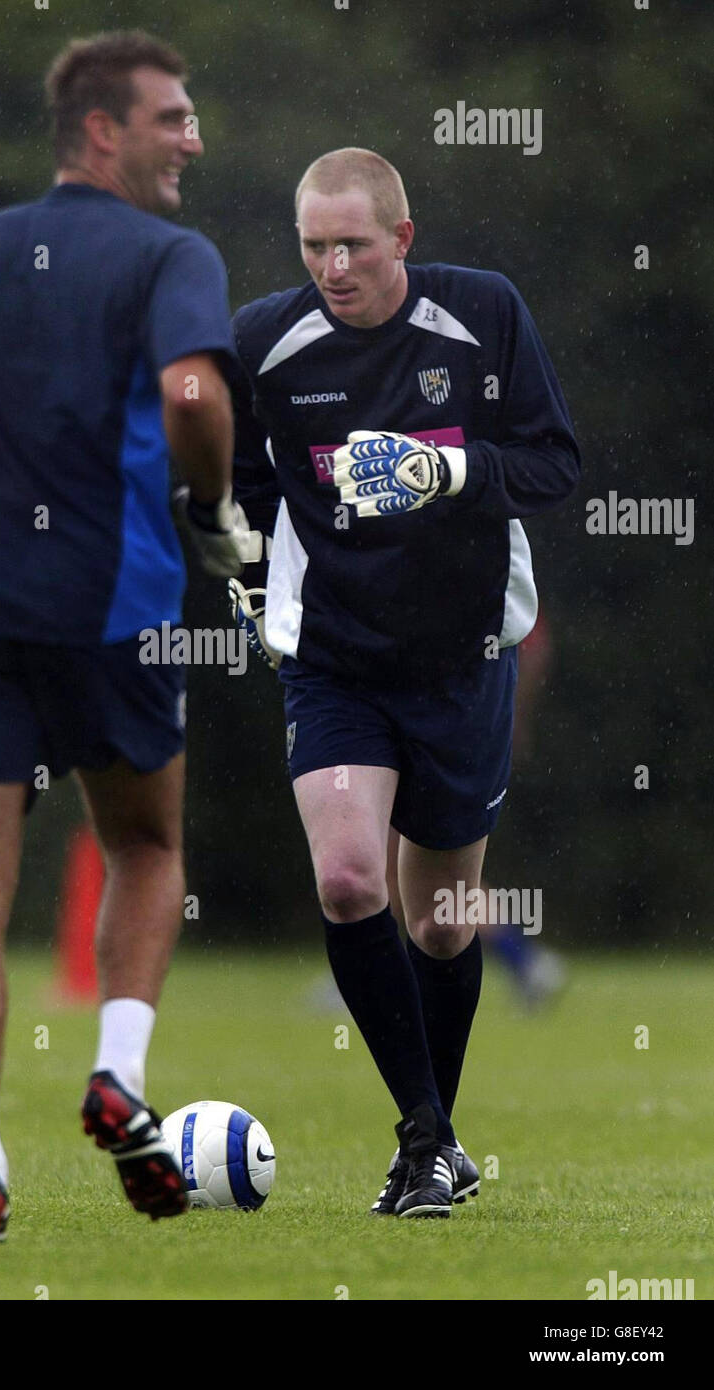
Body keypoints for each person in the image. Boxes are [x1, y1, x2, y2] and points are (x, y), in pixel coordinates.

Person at [0, 30, 250, 1238]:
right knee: (148, 845)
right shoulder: (172, 253)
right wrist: (216, 508)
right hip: (107, 605)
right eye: (173, 117)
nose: (195, 138)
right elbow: (191, 392)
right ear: (103, 131)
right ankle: (118, 1076)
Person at [229, 147, 580, 1218]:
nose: (333, 264)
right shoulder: (263, 343)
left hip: (462, 659)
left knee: (439, 921)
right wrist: (251, 586)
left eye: (355, 244)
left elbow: (555, 466)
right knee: (346, 878)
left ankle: (442, 1139)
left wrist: (451, 468)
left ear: (403, 240)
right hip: (335, 660)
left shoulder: (483, 315)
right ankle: (423, 1136)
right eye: (314, 245)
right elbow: (234, 486)